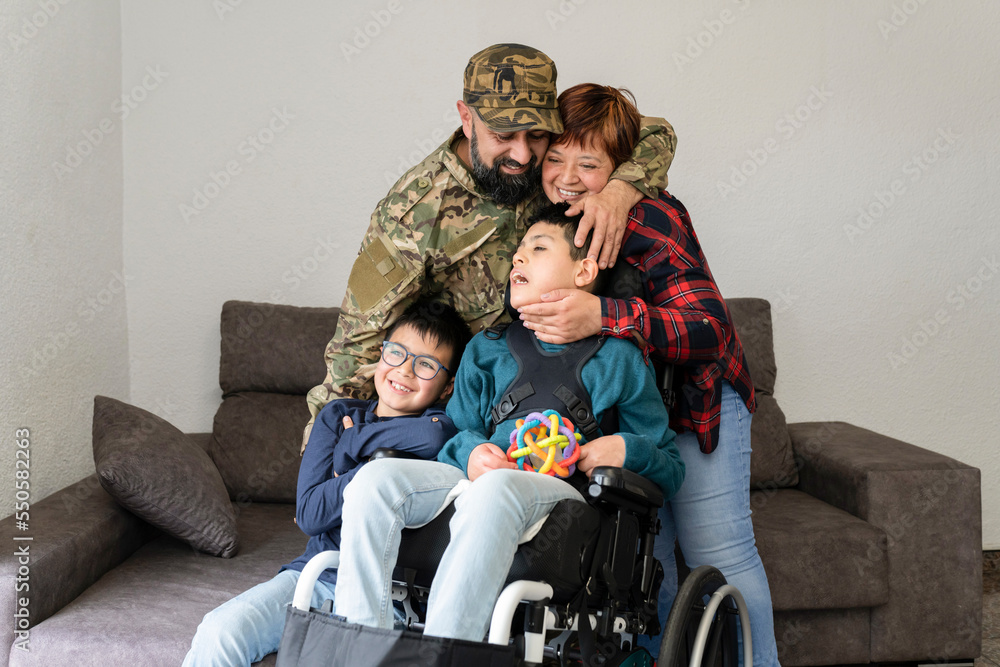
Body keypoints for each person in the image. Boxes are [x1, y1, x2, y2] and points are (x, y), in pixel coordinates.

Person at [333, 204, 685, 643]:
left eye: (537, 248)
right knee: (374, 480)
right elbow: (455, 433)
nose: (518, 258)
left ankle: (445, 656)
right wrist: (473, 452)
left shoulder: (620, 360)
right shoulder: (488, 348)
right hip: (477, 483)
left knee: (496, 490)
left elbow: (670, 466)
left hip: (563, 500)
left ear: (583, 271)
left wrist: (623, 450)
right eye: (518, 251)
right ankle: (358, 650)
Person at [303, 43, 679, 449]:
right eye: (503, 135)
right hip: (467, 413)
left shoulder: (555, 165)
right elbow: (356, 348)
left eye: (536, 135)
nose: (522, 154)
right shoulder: (410, 215)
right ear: (467, 118)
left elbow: (658, 132)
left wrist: (620, 191)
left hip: (575, 389)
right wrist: (319, 463)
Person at [518, 83, 780, 665]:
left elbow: (709, 329)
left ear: (618, 172)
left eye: (588, 164)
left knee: (721, 551)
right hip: (626, 422)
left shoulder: (651, 217)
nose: (565, 176)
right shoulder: (540, 225)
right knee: (639, 567)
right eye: (555, 158)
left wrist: (602, 316)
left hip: (696, 404)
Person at [181, 300, 472, 667]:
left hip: (397, 598)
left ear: (447, 387)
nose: (405, 370)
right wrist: (368, 465)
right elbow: (311, 514)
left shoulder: (442, 430)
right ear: (381, 354)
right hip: (319, 575)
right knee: (219, 629)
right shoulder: (338, 416)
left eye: (426, 365)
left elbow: (433, 438)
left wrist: (352, 447)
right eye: (397, 353)